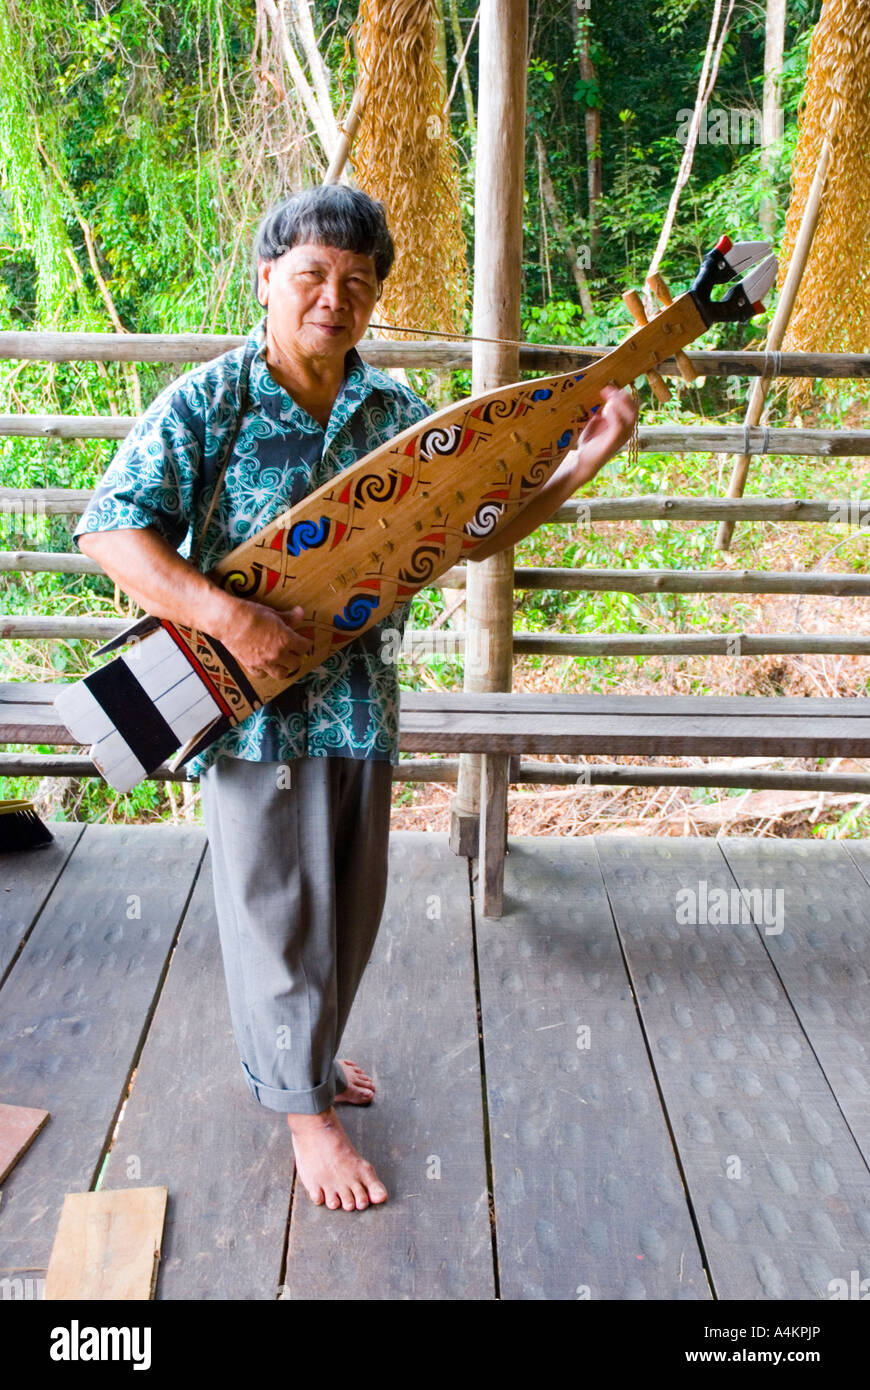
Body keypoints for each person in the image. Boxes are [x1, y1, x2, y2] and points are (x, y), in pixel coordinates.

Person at [75, 184, 638, 1213]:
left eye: (357, 283)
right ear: (268, 283)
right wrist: (231, 617)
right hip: (250, 711)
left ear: (375, 299)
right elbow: (111, 529)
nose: (334, 299)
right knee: (280, 917)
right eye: (312, 278)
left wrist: (582, 462)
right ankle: (305, 1117)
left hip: (360, 703)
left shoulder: (393, 417)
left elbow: (471, 532)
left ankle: (311, 1060)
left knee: (352, 911)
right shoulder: (211, 401)